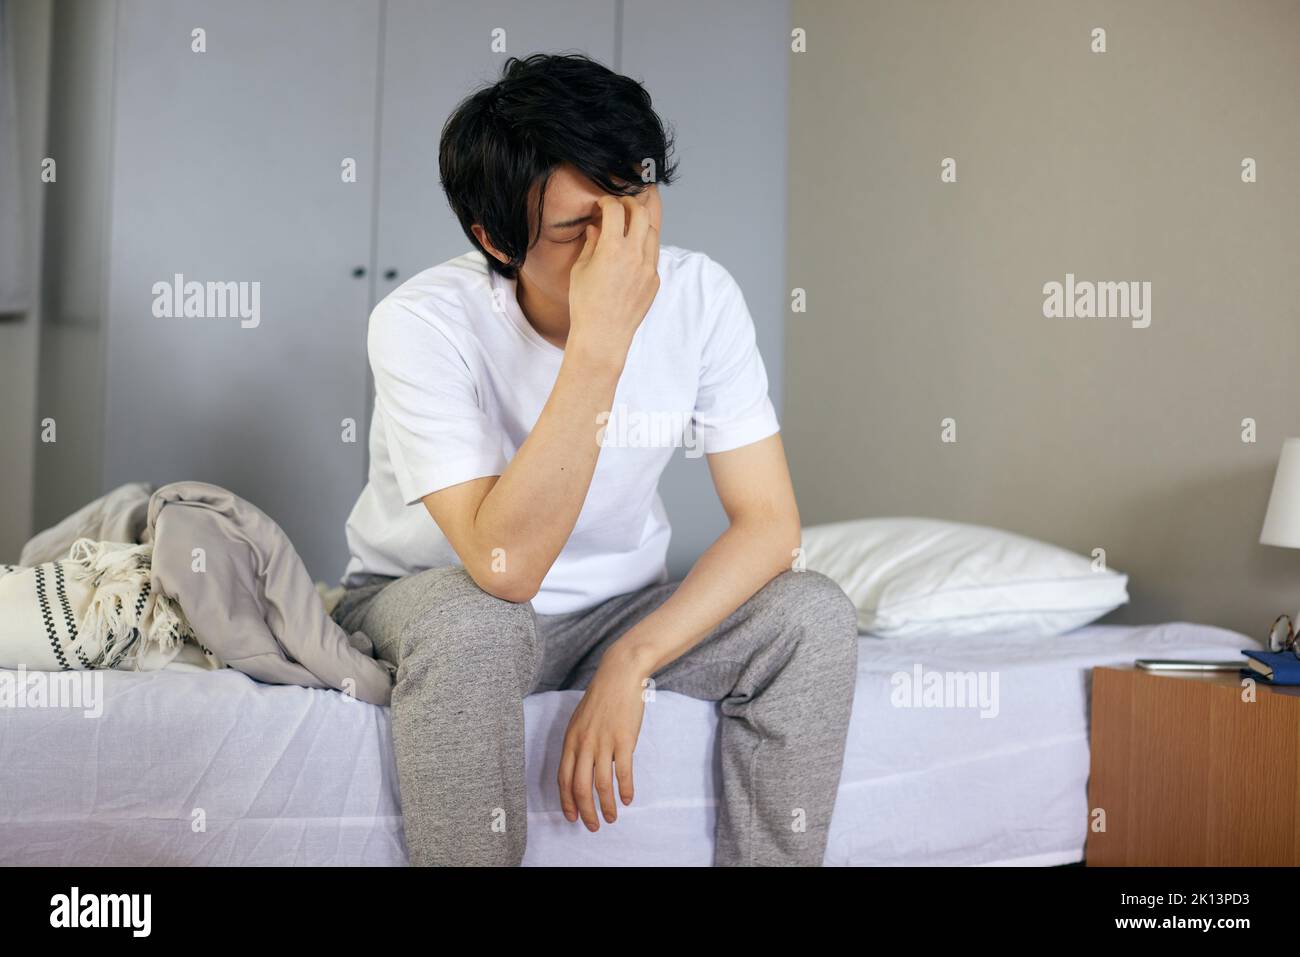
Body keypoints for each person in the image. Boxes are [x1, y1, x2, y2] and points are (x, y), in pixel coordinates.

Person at [331, 53, 858, 866]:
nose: (626, 248)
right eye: (581, 229)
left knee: (812, 610)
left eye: (638, 203)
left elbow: (770, 524)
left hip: (617, 608)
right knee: (480, 622)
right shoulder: (420, 323)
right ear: (494, 239)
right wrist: (600, 342)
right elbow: (504, 569)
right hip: (435, 600)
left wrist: (634, 655)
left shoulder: (702, 295)